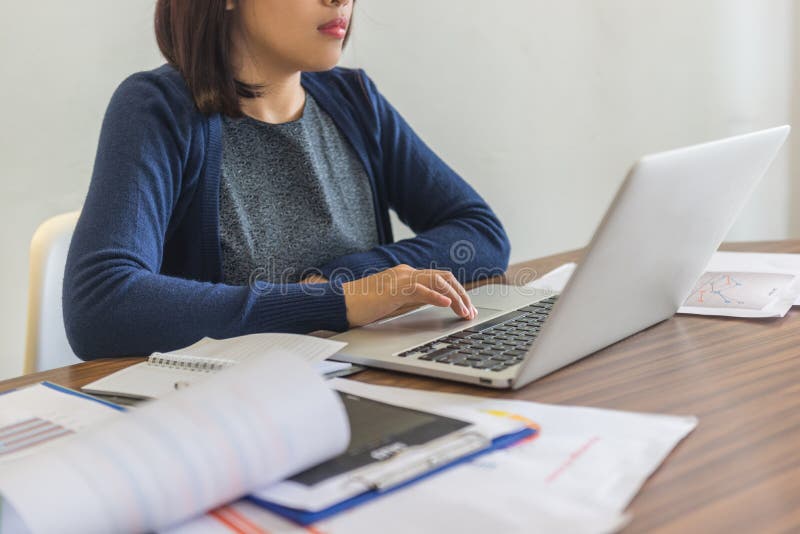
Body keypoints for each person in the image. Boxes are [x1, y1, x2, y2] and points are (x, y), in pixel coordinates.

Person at [63, 0, 511, 359]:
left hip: (365, 384)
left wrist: (345, 281)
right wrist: (336, 303)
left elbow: (481, 235)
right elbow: (101, 306)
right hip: (234, 416)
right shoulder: (157, 109)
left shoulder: (354, 100)